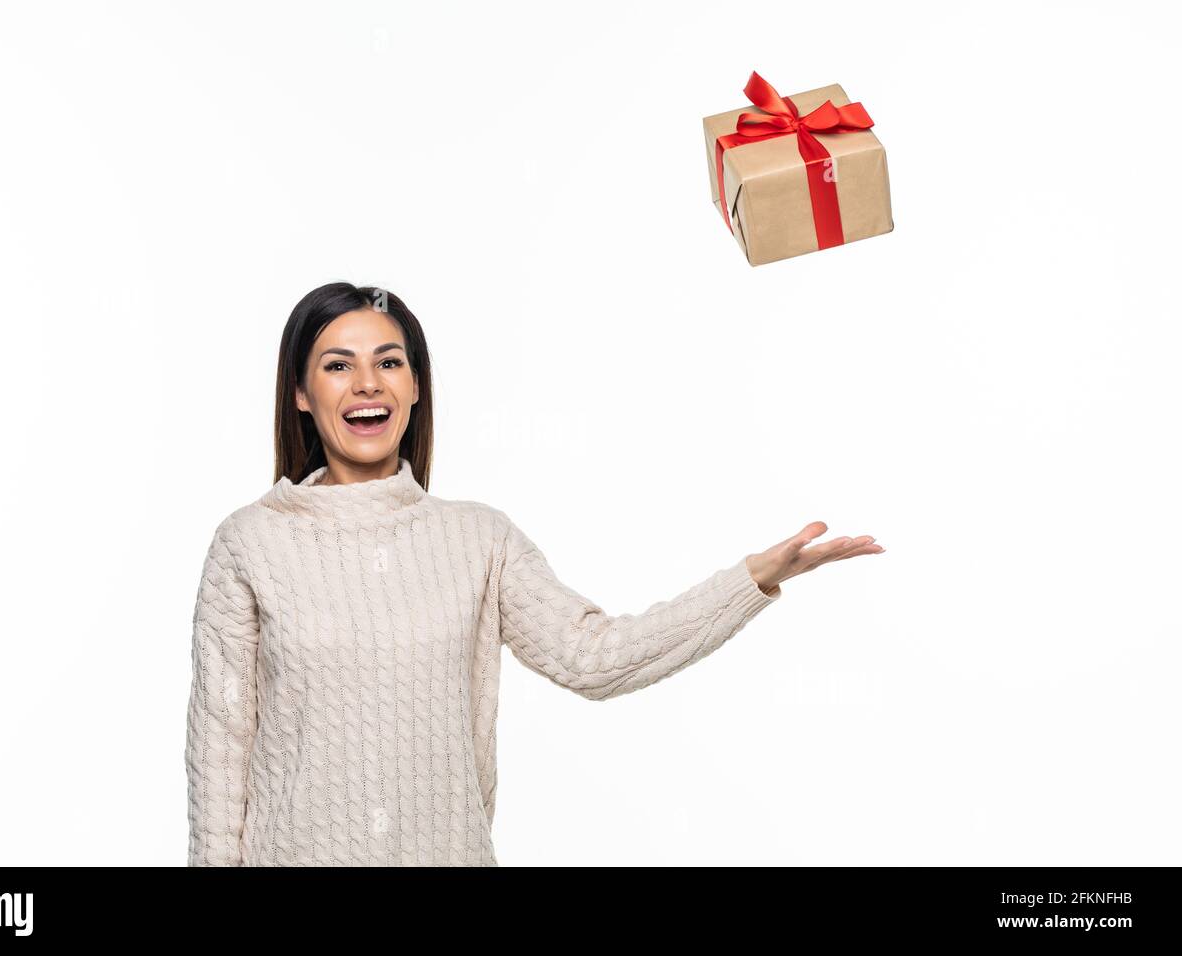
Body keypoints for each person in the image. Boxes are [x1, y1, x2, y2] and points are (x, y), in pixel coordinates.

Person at [184, 281, 883, 867]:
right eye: (337, 366)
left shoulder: (478, 538)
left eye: (389, 362)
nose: (367, 383)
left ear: (416, 385)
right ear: (301, 393)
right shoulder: (250, 544)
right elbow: (220, 753)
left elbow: (595, 658)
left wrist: (750, 580)